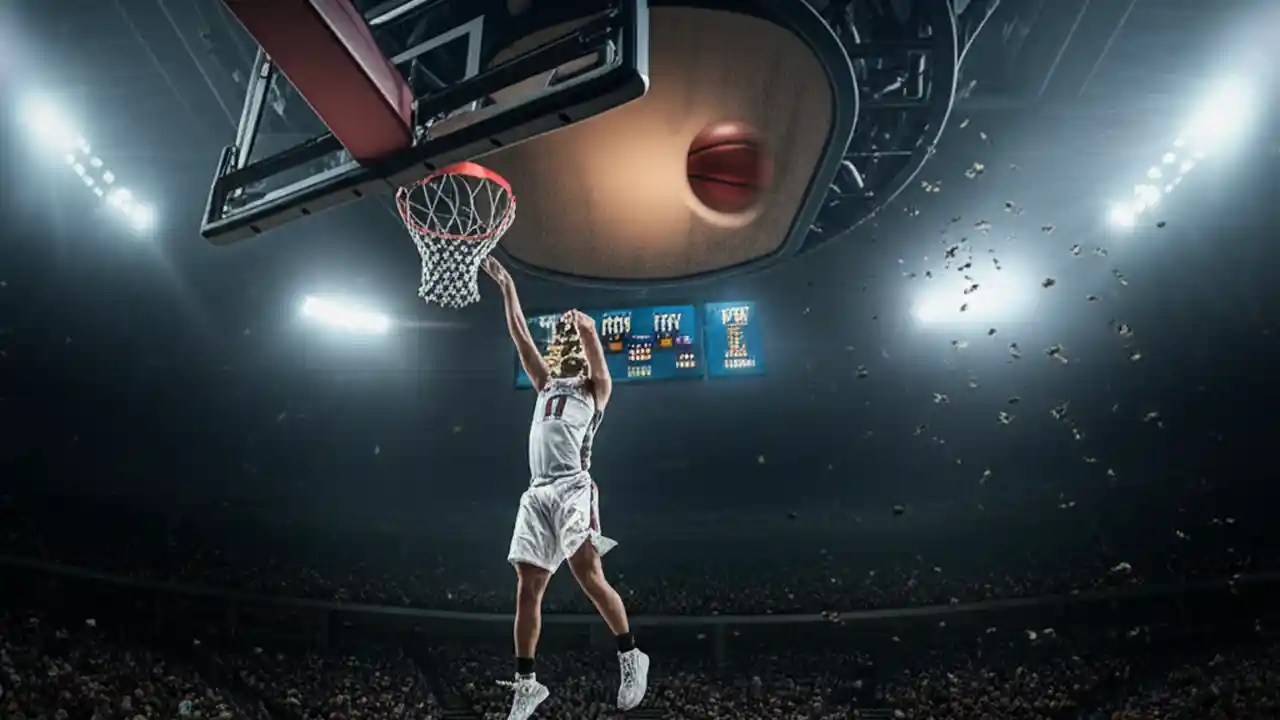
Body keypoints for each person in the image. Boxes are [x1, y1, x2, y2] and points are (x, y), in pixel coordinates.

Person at [481, 256, 650, 720]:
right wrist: (507, 283)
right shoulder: (544, 385)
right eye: (563, 346)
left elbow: (595, 348)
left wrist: (585, 328)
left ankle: (630, 655)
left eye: (569, 346)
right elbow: (518, 332)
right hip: (537, 493)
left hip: (574, 487)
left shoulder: (596, 391)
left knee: (587, 573)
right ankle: (527, 683)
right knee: (527, 587)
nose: (566, 350)